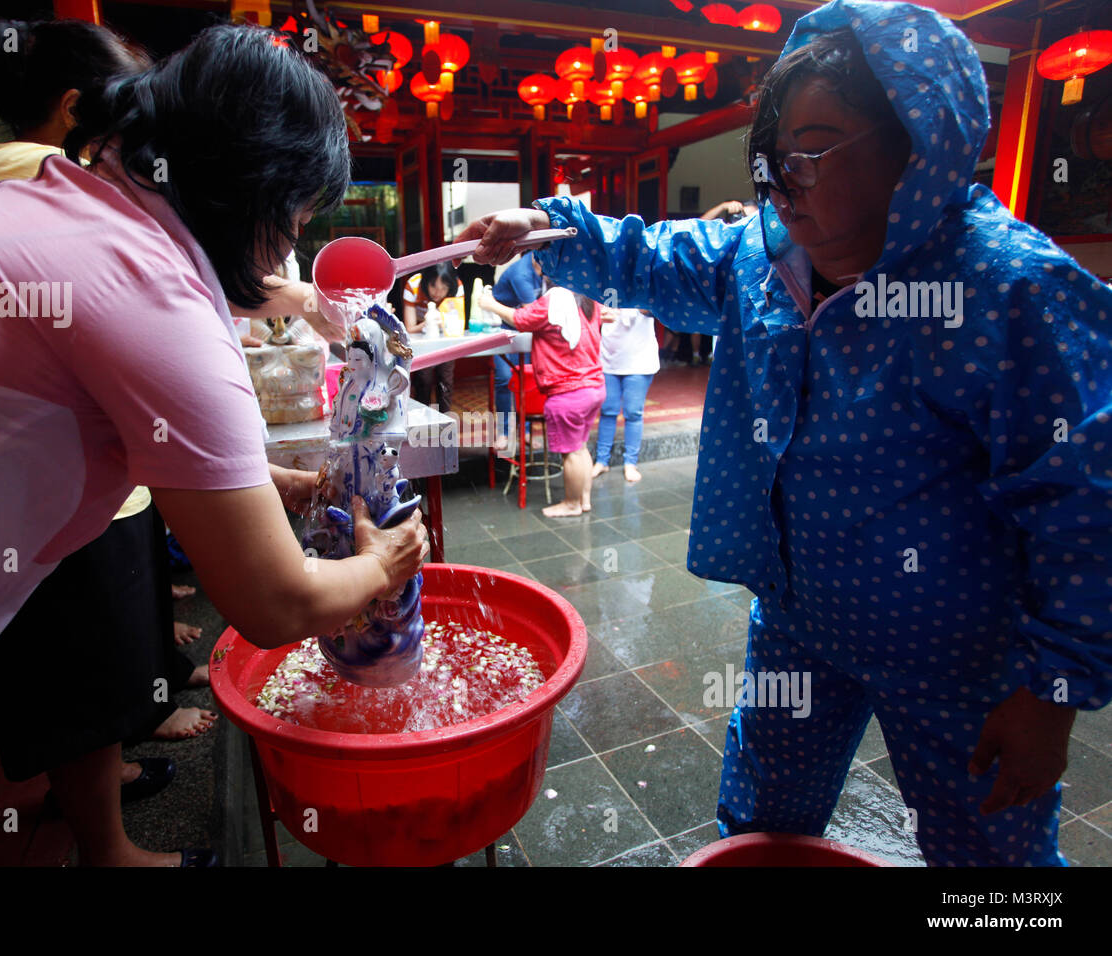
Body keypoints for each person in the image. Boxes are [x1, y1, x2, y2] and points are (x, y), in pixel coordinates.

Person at [459, 0, 1112, 866]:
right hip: (799, 617)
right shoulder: (761, 261)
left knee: (988, 855)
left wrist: (1052, 693)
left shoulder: (1008, 289)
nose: (778, 181)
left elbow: (1088, 505)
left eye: (810, 149)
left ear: (915, 143)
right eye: (771, 158)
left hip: (957, 654)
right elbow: (648, 254)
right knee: (766, 811)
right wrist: (542, 230)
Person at [0, 23, 428, 867]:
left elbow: (100, 419)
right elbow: (277, 603)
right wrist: (388, 562)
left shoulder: (70, 204)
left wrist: (274, 480)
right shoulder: (153, 294)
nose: (289, 246)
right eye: (293, 218)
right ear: (252, 191)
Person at [0, 16, 230, 868]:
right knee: (79, 676)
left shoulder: (40, 182)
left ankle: (99, 792)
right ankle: (109, 850)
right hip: (38, 486)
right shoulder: (29, 176)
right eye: (123, 123)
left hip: (70, 478)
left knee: (105, 660)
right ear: (77, 107)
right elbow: (273, 598)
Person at [482, 286, 606, 518]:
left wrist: (490, 304)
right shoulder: (589, 298)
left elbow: (520, 319)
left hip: (568, 392)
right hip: (594, 387)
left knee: (571, 453)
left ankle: (571, 503)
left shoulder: (555, 299)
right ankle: (584, 500)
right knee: (581, 447)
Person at [592, 307, 659, 483]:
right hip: (609, 359)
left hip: (639, 361)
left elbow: (651, 309)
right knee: (607, 411)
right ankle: (601, 460)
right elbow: (598, 313)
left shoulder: (642, 285)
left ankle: (630, 462)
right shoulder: (607, 287)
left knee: (633, 413)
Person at [489, 252, 543, 451]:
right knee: (503, 379)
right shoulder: (521, 274)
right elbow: (533, 314)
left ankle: (525, 431)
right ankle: (503, 432)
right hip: (501, 330)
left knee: (526, 379)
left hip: (526, 331)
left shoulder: (545, 268)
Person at [401, 262, 458, 413]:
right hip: (421, 336)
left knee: (446, 381)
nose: (438, 293)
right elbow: (410, 328)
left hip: (445, 336)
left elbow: (456, 326)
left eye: (444, 288)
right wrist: (429, 322)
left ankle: (444, 423)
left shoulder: (457, 287)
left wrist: (443, 322)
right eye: (433, 286)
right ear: (426, 281)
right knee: (423, 379)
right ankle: (421, 422)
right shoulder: (413, 286)